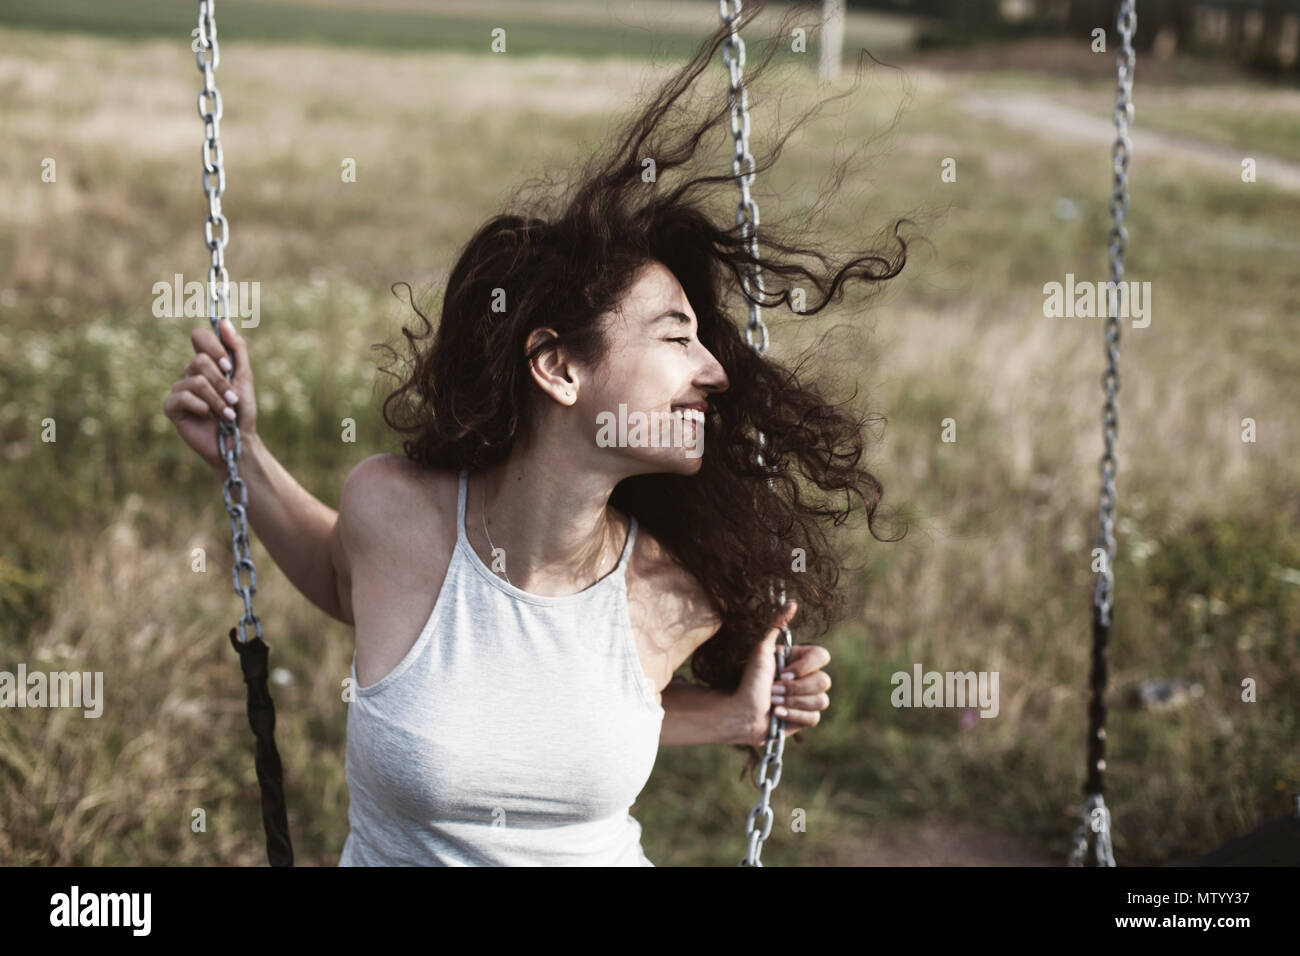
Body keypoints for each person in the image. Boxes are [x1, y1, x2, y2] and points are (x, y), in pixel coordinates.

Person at [164, 2, 904, 865]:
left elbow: (571, 721)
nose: (715, 370)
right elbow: (347, 580)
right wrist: (241, 457)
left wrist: (743, 717)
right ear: (557, 368)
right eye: (675, 335)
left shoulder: (676, 590)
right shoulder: (391, 515)